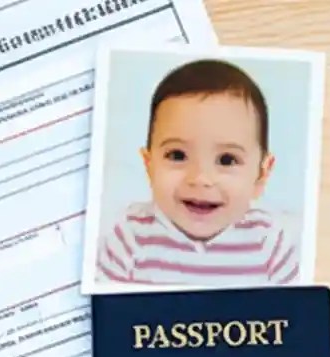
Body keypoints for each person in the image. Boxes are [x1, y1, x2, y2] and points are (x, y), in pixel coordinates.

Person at [94, 58, 299, 288]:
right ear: (149, 165)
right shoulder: (127, 239)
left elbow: (295, 318)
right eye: (177, 156)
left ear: (261, 175)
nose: (200, 178)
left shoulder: (272, 245)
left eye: (227, 159)